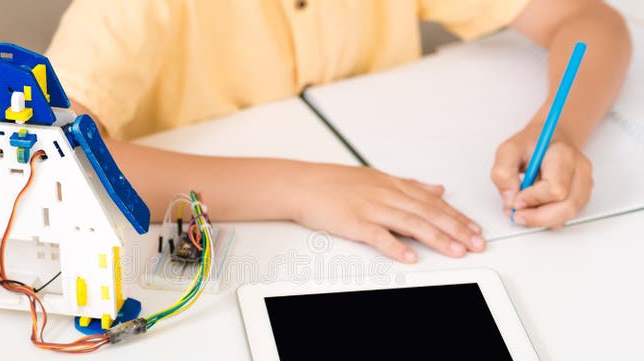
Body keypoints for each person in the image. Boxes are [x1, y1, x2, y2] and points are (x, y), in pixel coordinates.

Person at [46, 0, 631, 263]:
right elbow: (53, 162)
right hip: (214, 256)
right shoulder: (125, 11)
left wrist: (561, 133)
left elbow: (590, 20)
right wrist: (299, 189)